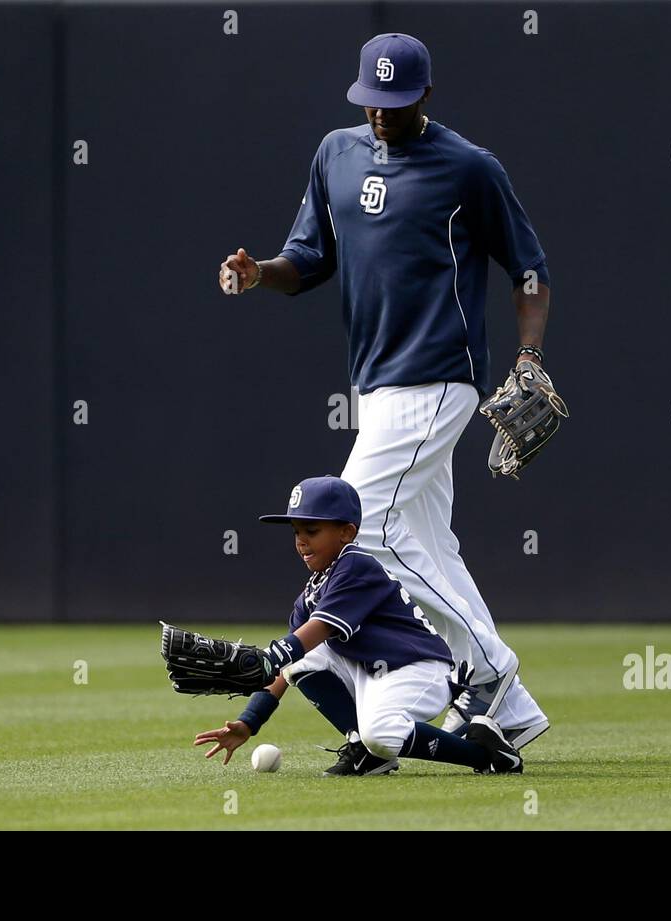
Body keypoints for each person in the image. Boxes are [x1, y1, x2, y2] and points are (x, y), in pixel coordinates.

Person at [216, 32, 552, 747]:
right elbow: (308, 259)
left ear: (424, 95)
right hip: (376, 384)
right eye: (372, 100)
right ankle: (512, 706)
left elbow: (529, 269)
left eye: (395, 103)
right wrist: (259, 272)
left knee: (358, 528)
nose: (380, 114)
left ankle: (489, 672)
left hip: (439, 374)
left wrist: (527, 355)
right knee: (431, 543)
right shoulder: (334, 154)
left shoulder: (468, 167)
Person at [192, 476, 523, 775]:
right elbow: (289, 662)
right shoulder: (313, 590)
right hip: (371, 673)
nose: (301, 541)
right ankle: (367, 752)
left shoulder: (357, 565)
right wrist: (249, 722)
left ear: (346, 532)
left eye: (312, 530)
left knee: (381, 733)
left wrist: (266, 657)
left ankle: (485, 754)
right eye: (296, 531)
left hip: (416, 670)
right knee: (297, 661)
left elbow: (319, 629)